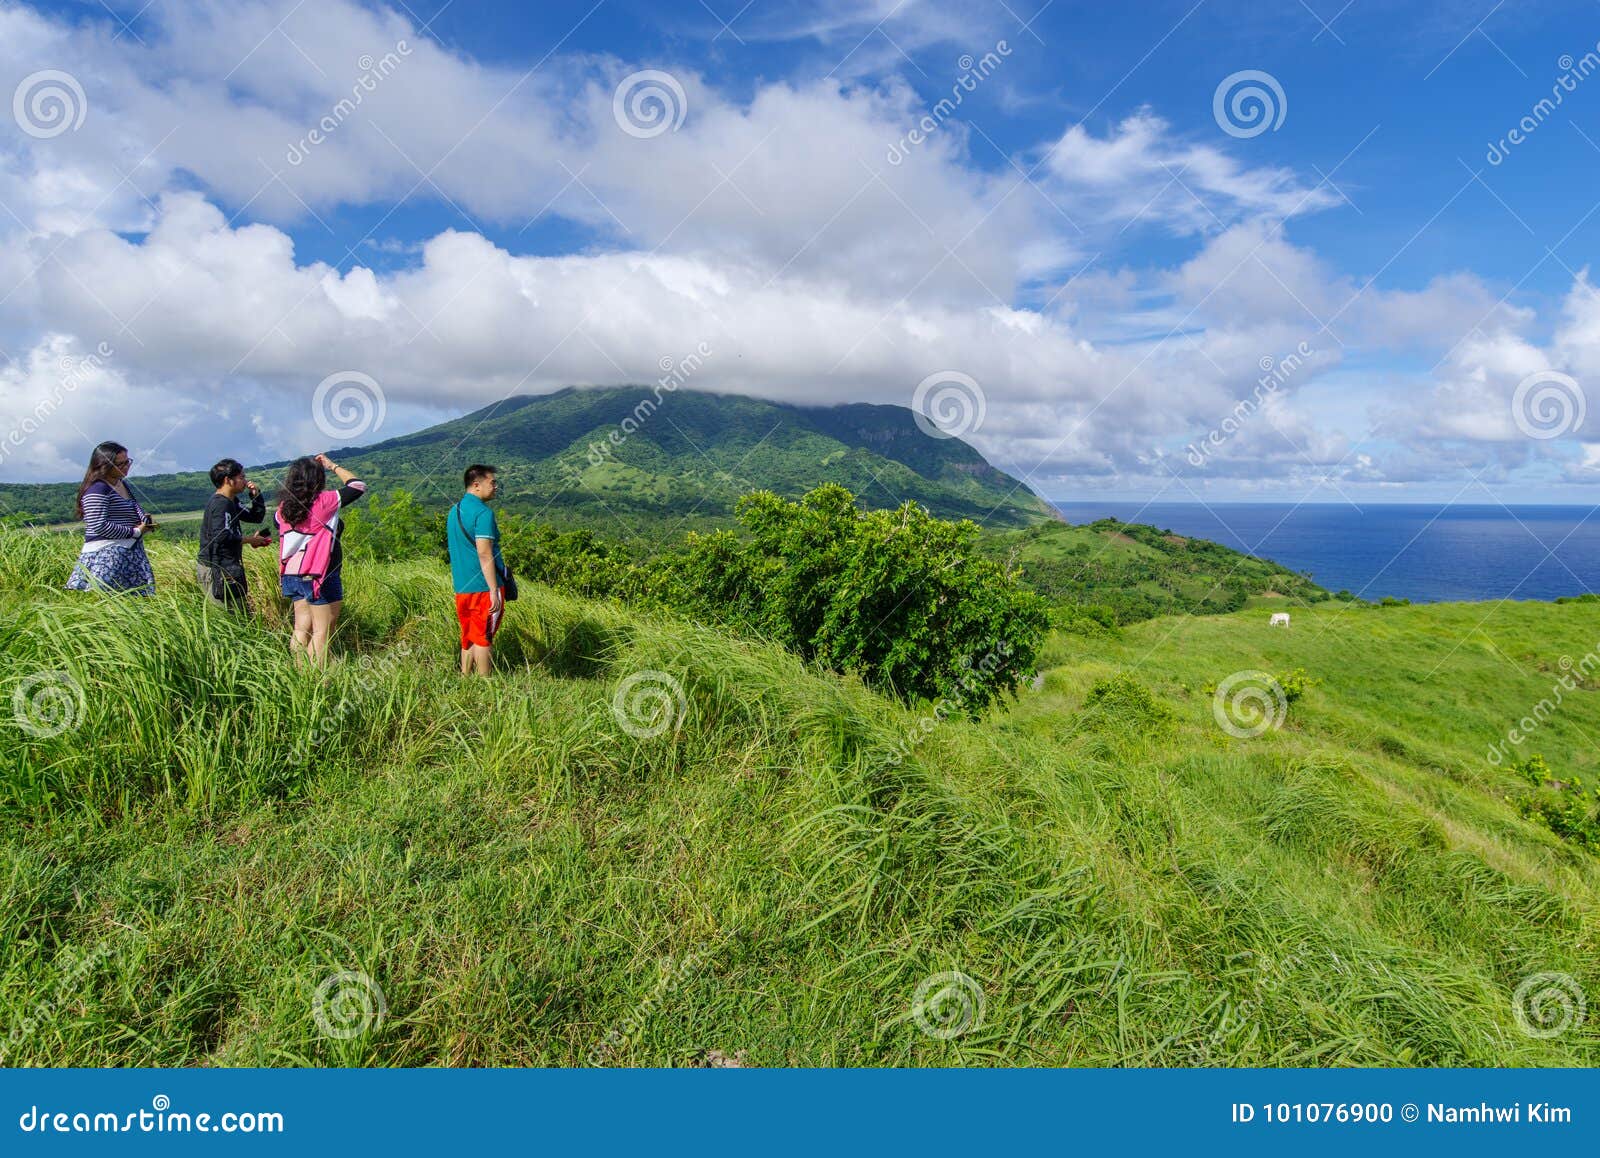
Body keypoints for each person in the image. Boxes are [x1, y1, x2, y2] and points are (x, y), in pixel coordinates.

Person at [274, 453, 367, 664]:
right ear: (318, 479)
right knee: (322, 632)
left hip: (291, 574)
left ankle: (298, 673)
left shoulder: (283, 508)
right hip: (319, 574)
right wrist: (332, 465)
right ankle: (315, 680)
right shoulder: (324, 501)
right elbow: (358, 486)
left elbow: (276, 523)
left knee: (300, 628)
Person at [65, 441, 157, 596]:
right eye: (120, 464)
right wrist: (134, 531)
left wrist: (144, 522)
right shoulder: (98, 488)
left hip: (128, 552)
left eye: (127, 462)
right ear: (104, 465)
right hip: (106, 555)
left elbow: (131, 508)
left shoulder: (122, 484)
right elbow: (98, 525)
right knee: (107, 602)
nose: (126, 466)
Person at [447, 464, 506, 677]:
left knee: (469, 635)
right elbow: (484, 553)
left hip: (462, 587)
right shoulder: (483, 514)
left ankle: (465, 678)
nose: (496, 486)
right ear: (476, 485)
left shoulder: (454, 511)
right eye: (492, 482)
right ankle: (485, 685)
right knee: (484, 637)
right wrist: (493, 590)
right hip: (483, 586)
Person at [197, 458, 271, 611]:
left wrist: (256, 496)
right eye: (241, 477)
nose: (245, 481)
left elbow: (255, 517)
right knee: (228, 614)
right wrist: (251, 539)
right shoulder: (221, 503)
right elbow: (222, 536)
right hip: (216, 567)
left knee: (239, 611)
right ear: (228, 480)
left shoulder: (232, 501)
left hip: (227, 566)